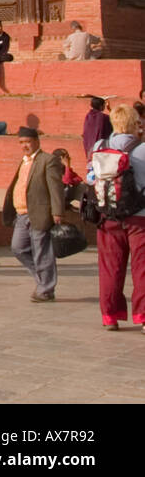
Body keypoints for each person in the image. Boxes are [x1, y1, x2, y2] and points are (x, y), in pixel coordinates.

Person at [89, 103, 145, 330]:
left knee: (110, 267)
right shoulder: (142, 149)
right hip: (139, 217)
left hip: (108, 216)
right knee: (142, 268)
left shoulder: (99, 146)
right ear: (135, 123)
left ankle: (109, 316)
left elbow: (91, 179)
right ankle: (142, 316)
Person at [2, 125, 64, 302]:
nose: (24, 145)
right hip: (21, 214)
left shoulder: (48, 160)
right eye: (21, 142)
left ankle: (45, 289)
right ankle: (43, 281)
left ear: (36, 141)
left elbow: (56, 187)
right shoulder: (24, 161)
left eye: (28, 141)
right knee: (18, 248)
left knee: (42, 252)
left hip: (40, 213)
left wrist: (57, 211)